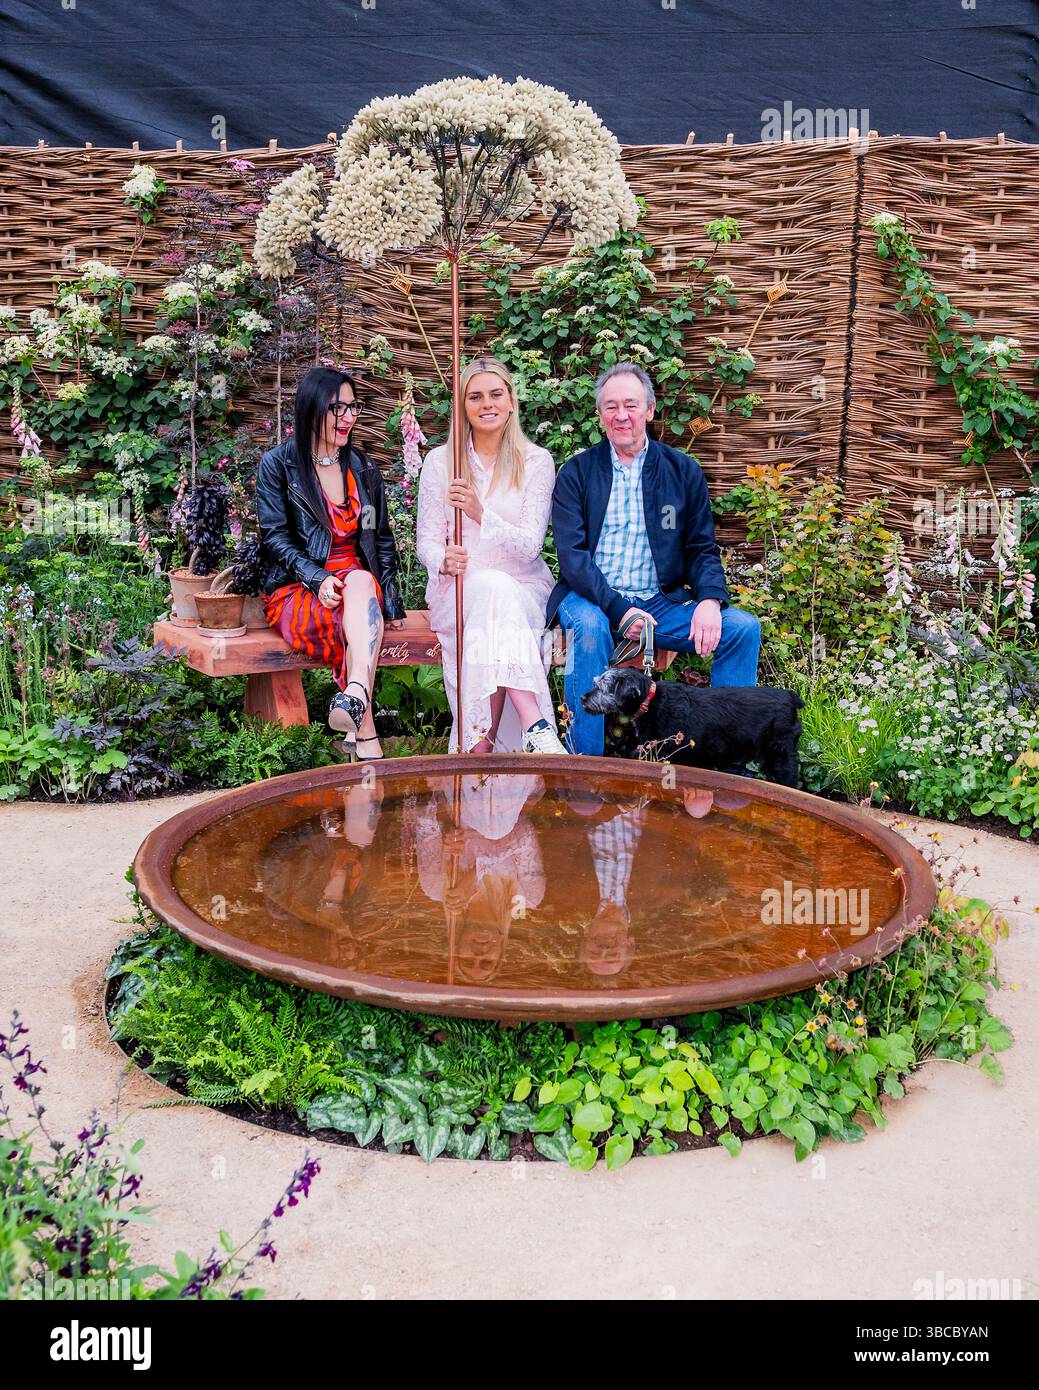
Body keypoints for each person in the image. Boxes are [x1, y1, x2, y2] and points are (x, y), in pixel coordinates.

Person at [547, 361, 762, 756]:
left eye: (630, 404)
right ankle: (584, 766)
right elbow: (573, 559)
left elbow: (701, 548)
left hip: (662, 602)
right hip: (593, 598)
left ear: (649, 409)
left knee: (741, 628)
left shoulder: (682, 471)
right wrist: (618, 610)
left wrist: (711, 601)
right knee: (591, 629)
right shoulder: (577, 472)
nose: (621, 415)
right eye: (610, 406)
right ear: (600, 415)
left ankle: (726, 760)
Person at [416, 355, 566, 754]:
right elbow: (426, 542)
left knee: (497, 590)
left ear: (512, 401)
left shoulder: (536, 462)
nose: (487, 404)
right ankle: (535, 725)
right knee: (487, 590)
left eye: (496, 394)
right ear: (463, 406)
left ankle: (480, 740)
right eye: (475, 396)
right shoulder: (440, 463)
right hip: (459, 593)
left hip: (524, 589)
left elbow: (531, 546)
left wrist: (479, 512)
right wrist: (442, 560)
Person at [256, 367, 406, 759]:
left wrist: (388, 596)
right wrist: (317, 578)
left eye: (353, 407)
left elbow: (378, 537)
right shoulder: (278, 466)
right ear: (311, 409)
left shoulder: (364, 471)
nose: (348, 418)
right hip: (299, 586)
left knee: (359, 583)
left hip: (357, 588)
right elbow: (275, 538)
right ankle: (364, 722)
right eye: (337, 408)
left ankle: (355, 696)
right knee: (355, 612)